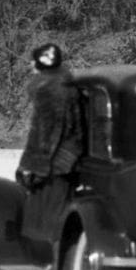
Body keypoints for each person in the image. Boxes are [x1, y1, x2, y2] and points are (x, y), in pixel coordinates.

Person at [16, 42, 81, 188]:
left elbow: (49, 131)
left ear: (41, 62)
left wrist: (35, 168)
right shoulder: (65, 84)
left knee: (44, 207)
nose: (31, 64)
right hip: (65, 162)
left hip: (55, 168)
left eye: (34, 61)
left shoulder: (47, 90)